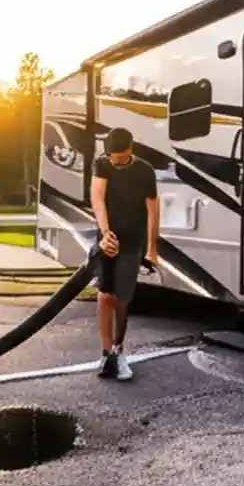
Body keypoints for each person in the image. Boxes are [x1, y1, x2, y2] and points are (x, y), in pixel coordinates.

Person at [90, 127, 159, 381]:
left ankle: (119, 350)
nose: (113, 161)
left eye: (118, 157)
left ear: (130, 150)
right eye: (111, 156)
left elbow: (152, 210)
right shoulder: (102, 164)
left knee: (122, 298)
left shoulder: (145, 171)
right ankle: (106, 353)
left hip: (133, 242)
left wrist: (152, 248)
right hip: (109, 239)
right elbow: (97, 197)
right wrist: (105, 232)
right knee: (105, 295)